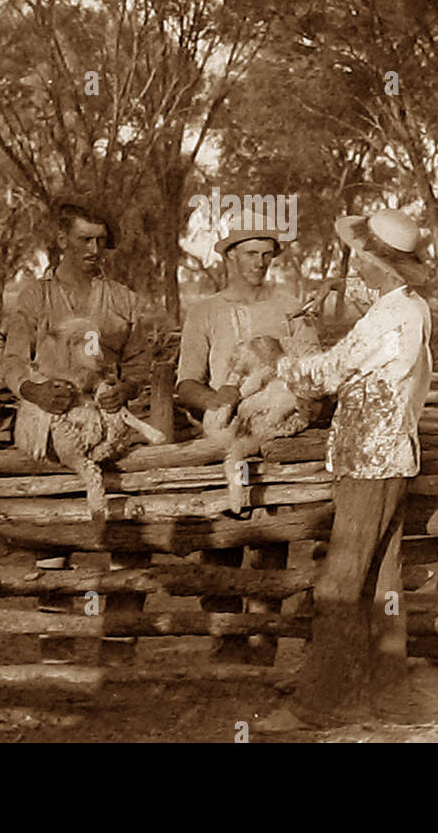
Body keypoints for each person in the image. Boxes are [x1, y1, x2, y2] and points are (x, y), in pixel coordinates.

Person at [254, 210, 432, 732]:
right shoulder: (407, 305)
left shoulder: (387, 320)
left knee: (340, 583)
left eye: (360, 256)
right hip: (392, 459)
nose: (355, 262)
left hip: (368, 461)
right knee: (383, 583)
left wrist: (281, 360)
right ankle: (387, 697)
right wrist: (335, 285)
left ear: (377, 262)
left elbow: (324, 375)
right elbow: (366, 297)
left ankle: (318, 705)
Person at [0, 196, 148, 659]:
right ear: (61, 240)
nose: (93, 248)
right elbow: (9, 360)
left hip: (108, 422)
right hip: (51, 420)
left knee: (125, 526)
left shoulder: (123, 299)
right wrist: (34, 390)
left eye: (100, 240)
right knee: (54, 527)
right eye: (83, 238)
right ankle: (56, 647)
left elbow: (144, 360)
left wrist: (127, 389)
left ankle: (120, 647)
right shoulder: (34, 297)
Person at [176, 223, 321, 663]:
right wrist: (215, 399)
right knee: (221, 542)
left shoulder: (291, 308)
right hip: (223, 438)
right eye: (250, 253)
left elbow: (313, 372)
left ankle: (262, 642)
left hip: (274, 439)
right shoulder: (205, 311)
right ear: (229, 257)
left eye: (266, 254)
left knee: (269, 542)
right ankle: (224, 639)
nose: (259, 262)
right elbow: (185, 383)